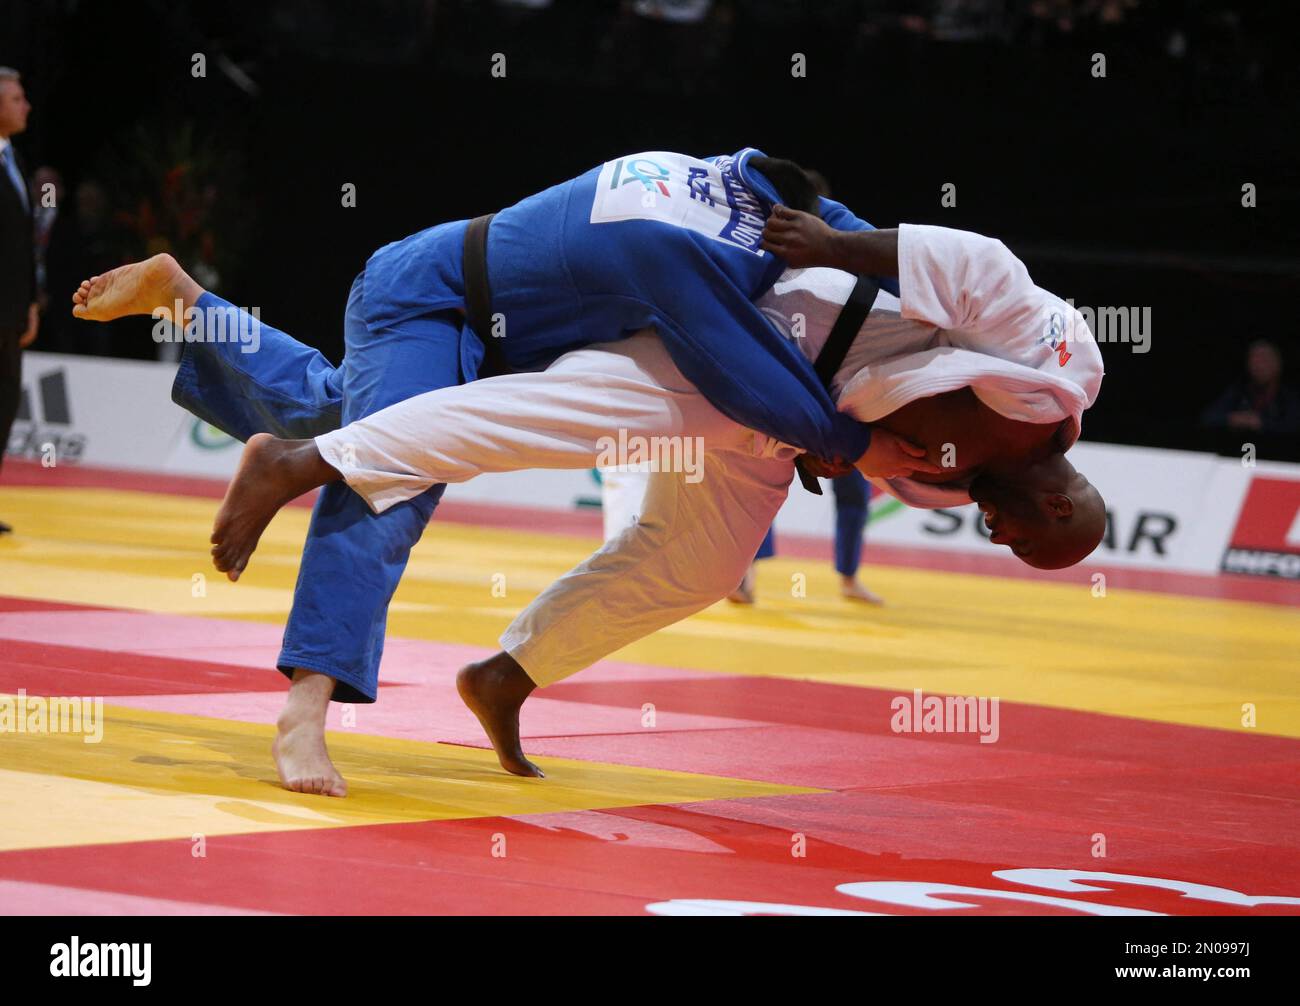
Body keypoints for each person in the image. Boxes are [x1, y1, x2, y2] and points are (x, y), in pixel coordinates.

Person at [73, 211, 1105, 786]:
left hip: (769, 407)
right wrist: (831, 244)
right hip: (746, 330)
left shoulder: (959, 479)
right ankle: (306, 659)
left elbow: (872, 449)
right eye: (1018, 538)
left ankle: (508, 674)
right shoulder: (1058, 371)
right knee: (445, 451)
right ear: (1060, 507)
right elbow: (979, 265)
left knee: (695, 563)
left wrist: (830, 449)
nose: (993, 532)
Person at [0, 67, 38, 535]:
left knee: (5, 405)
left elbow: (20, 246)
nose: (25, 105)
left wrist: (30, 302)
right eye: (15, 98)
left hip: (9, 313)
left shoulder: (12, 159)